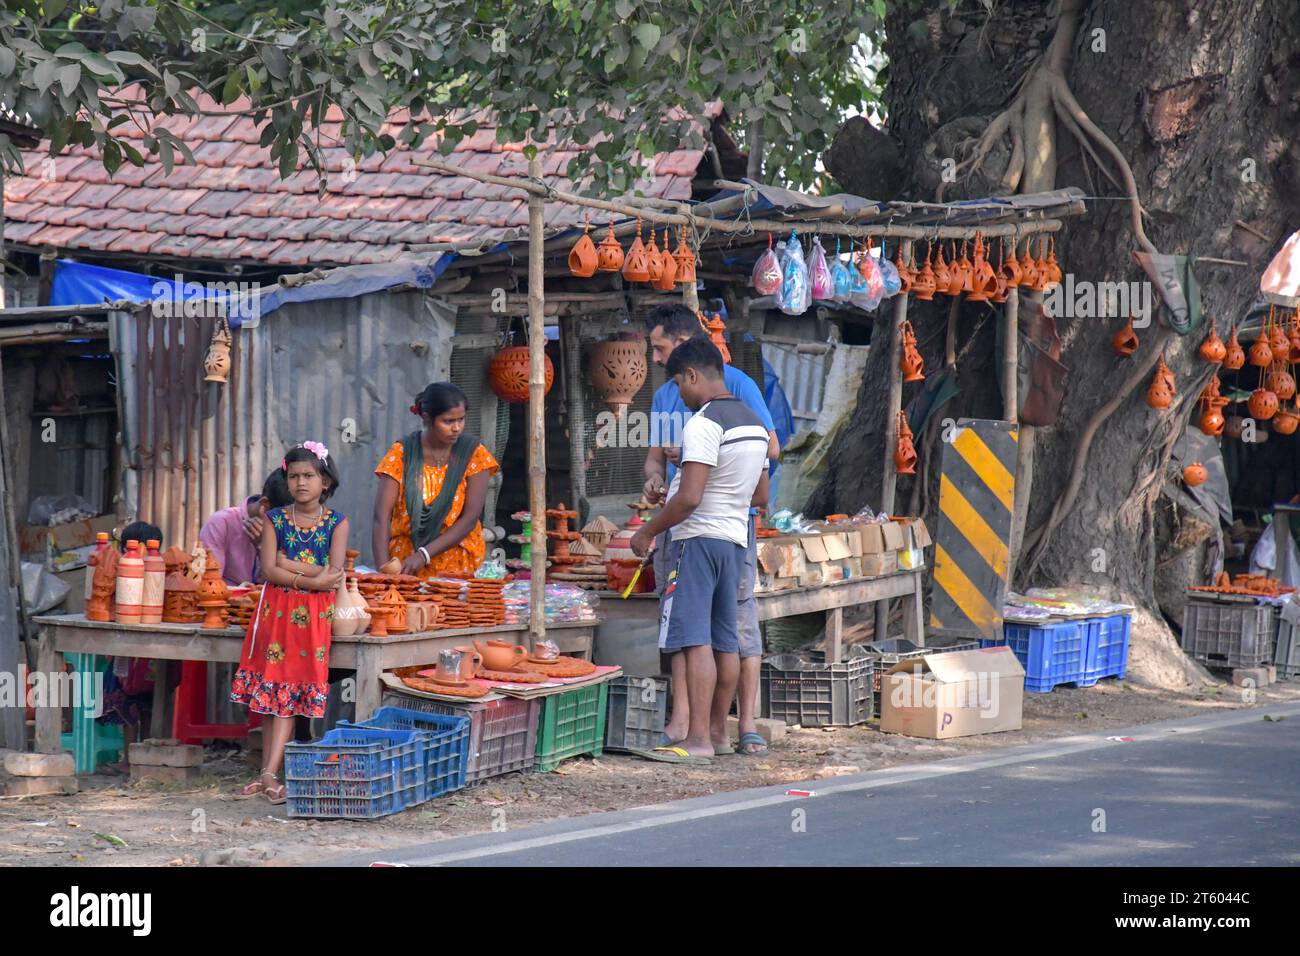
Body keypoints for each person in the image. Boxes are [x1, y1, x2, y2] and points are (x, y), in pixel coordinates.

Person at [642, 304, 779, 756]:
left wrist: (648, 531)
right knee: (726, 640)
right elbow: (761, 497)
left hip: (696, 541)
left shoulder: (704, 424)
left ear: (694, 377)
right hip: (733, 540)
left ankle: (698, 738)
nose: (678, 393)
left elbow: (689, 498)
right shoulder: (753, 427)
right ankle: (721, 734)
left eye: (679, 383)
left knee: (694, 638)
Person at [231, 441, 348, 804]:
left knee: (284, 692)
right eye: (294, 476)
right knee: (274, 692)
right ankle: (268, 773)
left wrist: (291, 566)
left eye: (309, 476)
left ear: (325, 481)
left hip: (313, 618)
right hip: (275, 613)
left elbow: (336, 571)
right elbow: (268, 571)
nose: (301, 483)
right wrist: (311, 579)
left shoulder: (337, 522)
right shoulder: (274, 519)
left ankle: (268, 771)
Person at [372, 382, 500, 579]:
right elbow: (381, 518)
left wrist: (424, 554)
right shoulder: (402, 454)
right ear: (427, 418)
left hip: (457, 567)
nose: (456, 428)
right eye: (448, 421)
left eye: (461, 420)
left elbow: (470, 518)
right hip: (406, 567)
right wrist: (384, 571)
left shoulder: (474, 454)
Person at [99, 521, 163, 772]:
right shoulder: (120, 570)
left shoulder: (159, 573)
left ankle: (140, 759)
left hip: (147, 656)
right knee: (128, 708)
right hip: (126, 654)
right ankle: (131, 759)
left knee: (145, 705)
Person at [199, 470, 293, 586]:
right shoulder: (221, 523)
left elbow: (286, 590)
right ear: (265, 505)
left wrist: (263, 549)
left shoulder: (293, 534)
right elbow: (209, 586)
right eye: (283, 521)